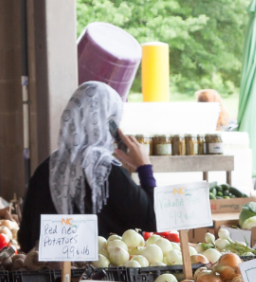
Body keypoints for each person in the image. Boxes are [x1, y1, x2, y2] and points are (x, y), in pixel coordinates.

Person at [19, 82, 156, 252]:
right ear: (109, 122)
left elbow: (25, 238)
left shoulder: (45, 169)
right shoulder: (106, 171)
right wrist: (144, 167)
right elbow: (151, 220)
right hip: (99, 276)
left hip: (48, 275)